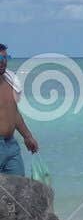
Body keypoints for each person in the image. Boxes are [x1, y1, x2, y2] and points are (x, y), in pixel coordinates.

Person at [0, 45, 40, 176]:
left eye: (5, 57)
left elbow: (14, 113)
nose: (3, 61)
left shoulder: (9, 82)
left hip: (11, 145)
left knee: (18, 190)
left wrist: (27, 136)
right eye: (0, 58)